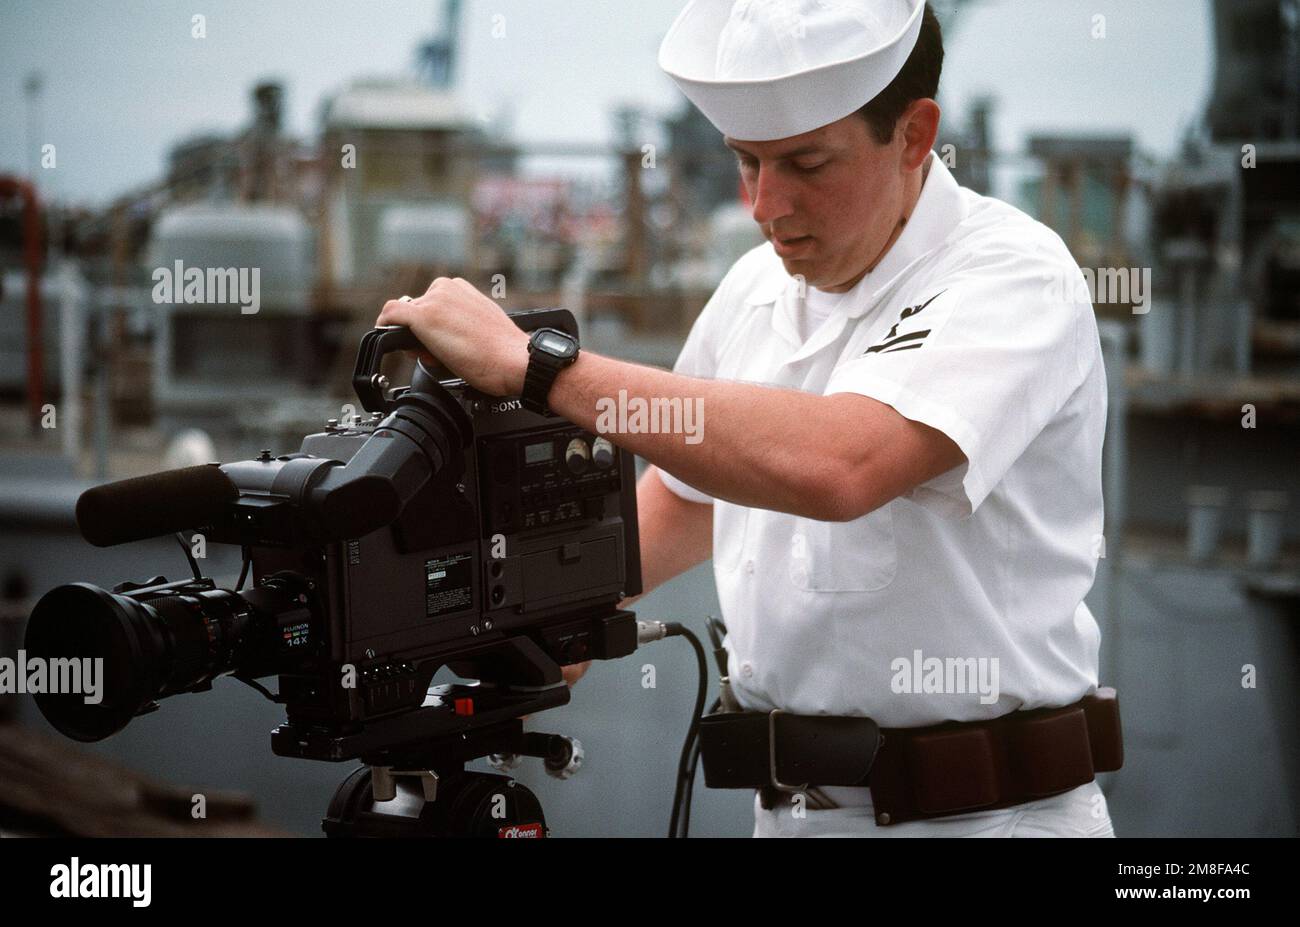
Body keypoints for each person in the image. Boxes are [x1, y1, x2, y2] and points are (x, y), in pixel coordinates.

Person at [377, 0, 1117, 837]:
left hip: (984, 818)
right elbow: (693, 494)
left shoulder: (1014, 276)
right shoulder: (756, 287)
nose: (767, 206)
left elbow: (846, 465)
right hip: (789, 815)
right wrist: (551, 613)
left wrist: (536, 367)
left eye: (806, 163)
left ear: (914, 136)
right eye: (746, 161)